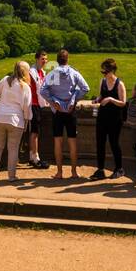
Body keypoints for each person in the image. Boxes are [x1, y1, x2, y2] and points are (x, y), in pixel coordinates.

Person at [42, 49, 89, 181]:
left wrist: (52, 102)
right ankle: (74, 172)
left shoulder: (54, 74)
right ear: (67, 59)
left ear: (57, 60)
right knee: (72, 142)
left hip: (57, 112)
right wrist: (74, 99)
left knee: (58, 142)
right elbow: (86, 88)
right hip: (70, 111)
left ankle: (59, 172)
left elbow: (43, 90)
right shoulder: (74, 73)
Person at [91, 58, 127, 180]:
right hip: (102, 117)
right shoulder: (103, 82)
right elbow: (102, 95)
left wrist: (111, 99)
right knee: (100, 143)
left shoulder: (119, 84)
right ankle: (100, 170)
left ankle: (119, 168)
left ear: (112, 71)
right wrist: (97, 99)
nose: (104, 74)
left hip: (115, 119)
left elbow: (123, 102)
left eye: (105, 72)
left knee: (114, 143)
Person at [26, 50, 50, 170]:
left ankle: (33, 156)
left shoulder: (42, 72)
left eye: (46, 59)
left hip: (39, 105)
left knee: (35, 131)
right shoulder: (31, 72)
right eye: (42, 59)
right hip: (33, 105)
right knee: (34, 132)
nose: (45, 61)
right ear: (37, 59)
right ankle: (35, 158)